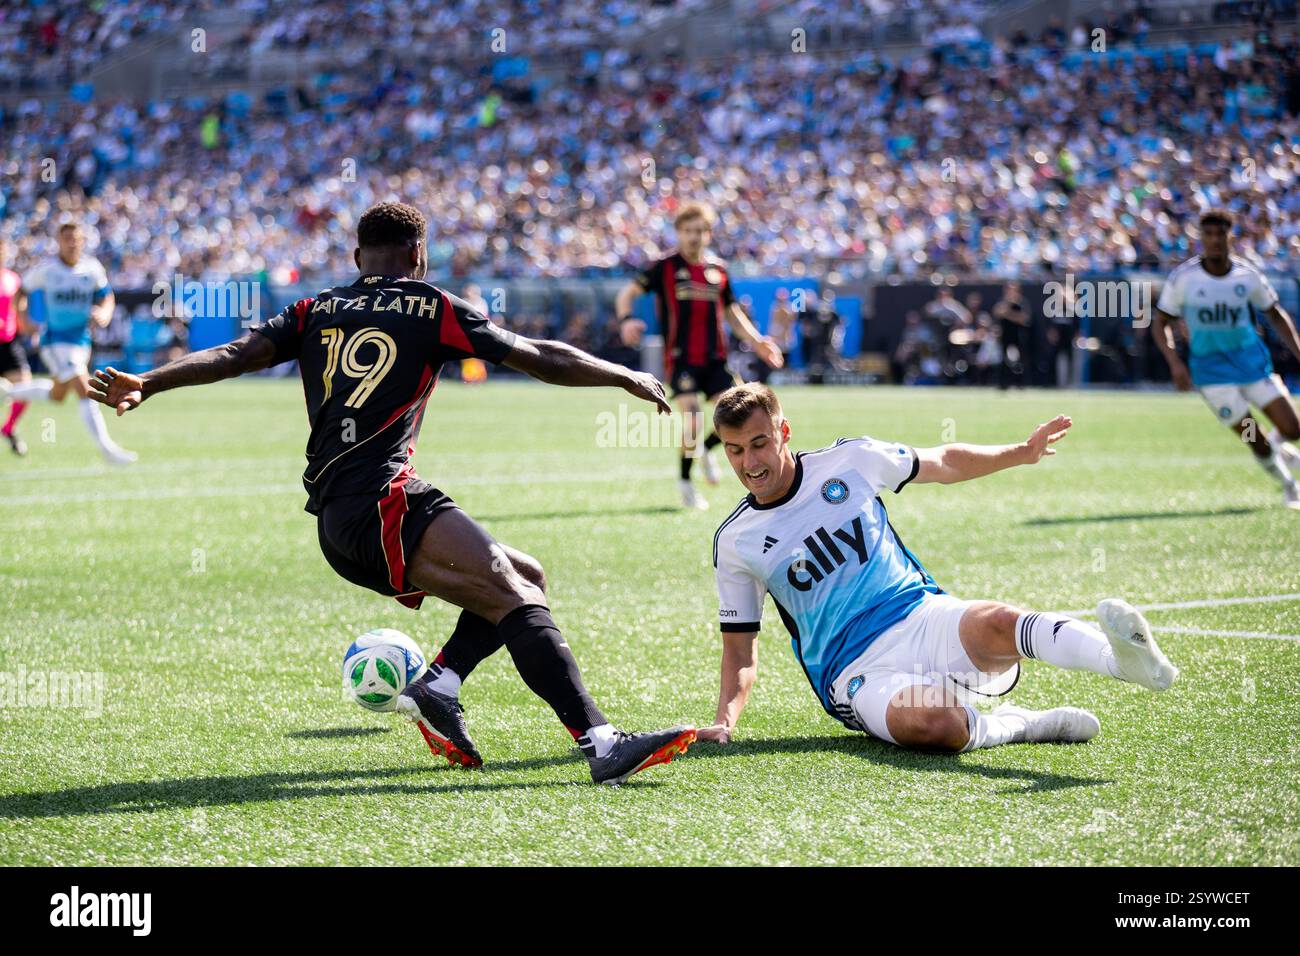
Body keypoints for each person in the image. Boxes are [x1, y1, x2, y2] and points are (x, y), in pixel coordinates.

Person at [88, 202, 695, 785]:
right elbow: (538, 354)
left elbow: (234, 353)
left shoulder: (314, 307)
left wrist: (147, 380)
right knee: (515, 598)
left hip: (338, 520)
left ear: (357, 255)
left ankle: (440, 685)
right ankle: (602, 742)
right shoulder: (431, 307)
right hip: (382, 500)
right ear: (418, 255)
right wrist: (623, 373)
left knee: (525, 576)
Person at [699, 382, 1177, 752]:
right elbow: (740, 651)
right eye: (735, 450)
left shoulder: (852, 461)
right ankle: (1018, 724)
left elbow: (944, 462)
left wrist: (1022, 453)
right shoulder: (736, 542)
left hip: (920, 616)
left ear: (784, 432)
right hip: (854, 669)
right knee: (936, 724)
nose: (749, 463)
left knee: (1001, 621)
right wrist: (725, 720)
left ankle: (1123, 662)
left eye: (759, 443)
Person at [614, 201, 783, 510]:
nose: (694, 237)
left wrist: (758, 342)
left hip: (715, 359)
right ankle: (686, 483)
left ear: (709, 234)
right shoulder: (664, 267)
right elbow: (626, 294)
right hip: (681, 359)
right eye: (688, 231)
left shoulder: (718, 271)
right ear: (678, 233)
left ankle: (704, 449)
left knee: (740, 414)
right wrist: (626, 320)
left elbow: (731, 312)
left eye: (700, 231)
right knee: (692, 422)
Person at [1151, 208, 1300, 510]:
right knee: (1252, 436)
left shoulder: (1247, 276)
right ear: (1200, 238)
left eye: (1221, 234)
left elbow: (1274, 313)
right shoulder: (1185, 278)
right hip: (1211, 373)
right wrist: (1175, 363)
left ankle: (1277, 447)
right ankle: (1289, 485)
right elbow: (1160, 322)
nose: (1215, 240)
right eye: (1208, 234)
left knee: (1293, 429)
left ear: (1230, 237)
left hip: (1252, 365)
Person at [8, 221, 135, 463]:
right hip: (55, 341)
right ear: (59, 241)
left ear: (82, 241)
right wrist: (24, 320)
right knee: (84, 388)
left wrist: (105, 313)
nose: (72, 243)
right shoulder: (47, 270)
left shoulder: (91, 268)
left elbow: (106, 296)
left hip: (80, 340)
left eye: (76, 239)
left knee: (58, 395)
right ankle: (107, 449)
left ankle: (8, 392)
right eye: (67, 239)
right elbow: (21, 292)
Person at [0, 237, 31, 455]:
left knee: (26, 391)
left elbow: (19, 310)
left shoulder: (13, 280)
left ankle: (9, 428)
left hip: (9, 344)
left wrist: (27, 328)